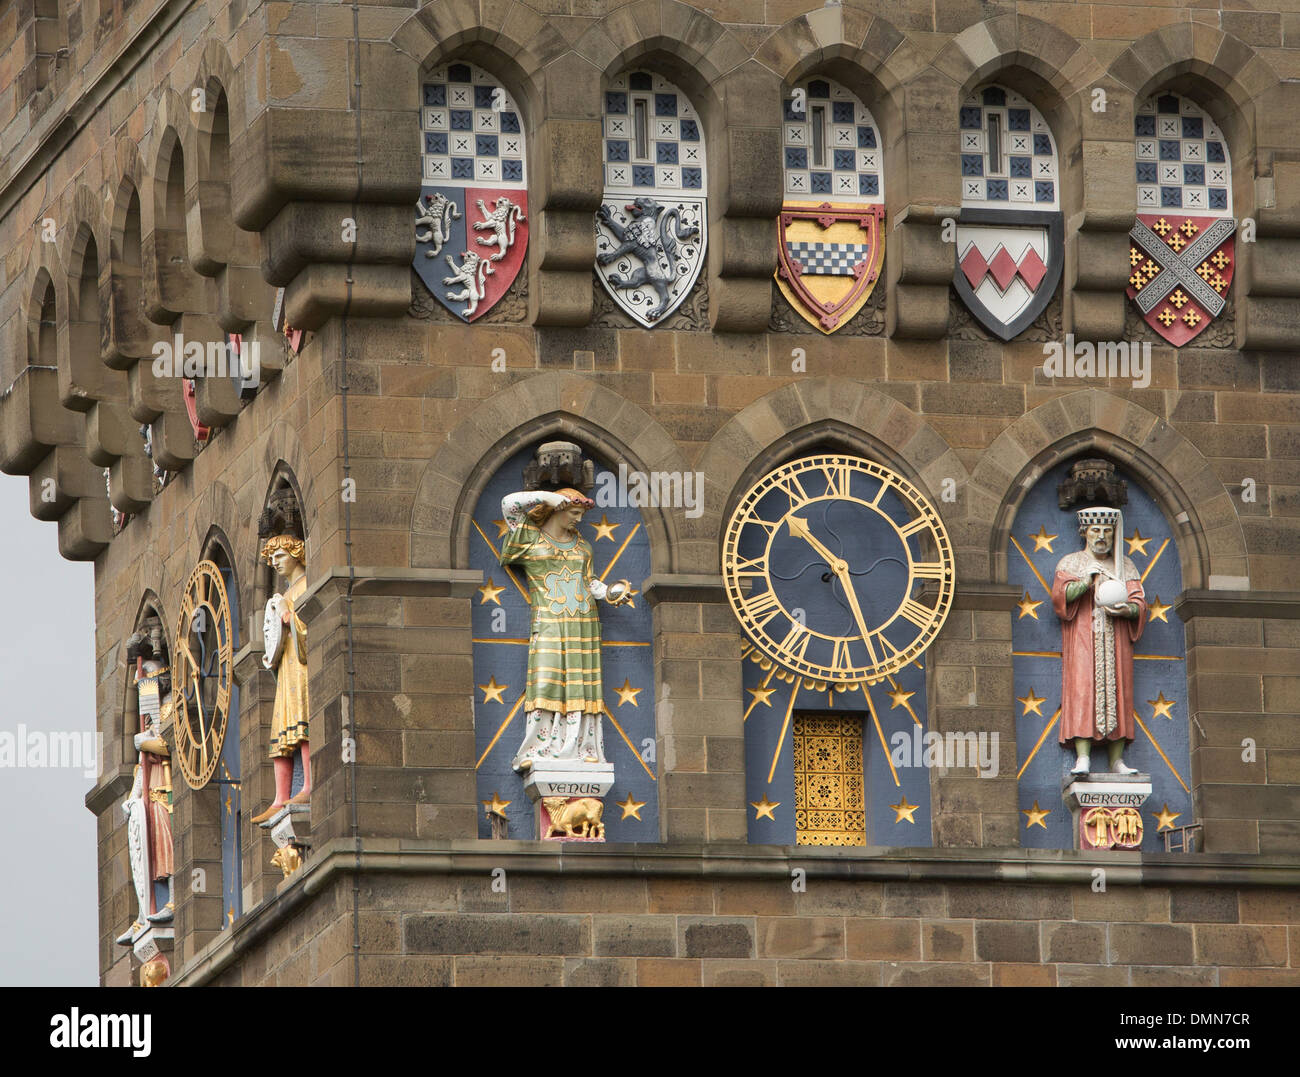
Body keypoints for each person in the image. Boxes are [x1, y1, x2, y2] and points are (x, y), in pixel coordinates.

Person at [498, 488, 629, 772]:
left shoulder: (583, 547)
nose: (578, 520)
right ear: (557, 509)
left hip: (583, 623)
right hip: (549, 621)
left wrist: (609, 593)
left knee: (582, 685)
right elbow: (509, 504)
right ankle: (538, 747)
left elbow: (589, 582)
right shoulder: (530, 539)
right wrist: (545, 495)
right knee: (545, 681)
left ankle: (585, 746)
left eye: (581, 514)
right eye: (574, 513)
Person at [1052, 506, 1148, 774]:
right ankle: (1083, 756)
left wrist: (1127, 609)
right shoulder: (1071, 563)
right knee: (1082, 690)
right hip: (1083, 637)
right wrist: (1085, 582)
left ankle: (1116, 759)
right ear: (1085, 532)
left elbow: (1138, 601)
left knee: (1118, 692)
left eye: (1107, 530)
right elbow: (1061, 597)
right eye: (1096, 530)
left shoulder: (1124, 564)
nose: (1102, 536)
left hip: (1115, 638)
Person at [117, 641, 175, 945]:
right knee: (147, 856)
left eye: (147, 683)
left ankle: (173, 900)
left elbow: (169, 745)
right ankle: (143, 915)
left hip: (166, 793)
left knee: (167, 849)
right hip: (149, 793)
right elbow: (140, 769)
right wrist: (133, 797)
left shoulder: (169, 709)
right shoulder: (151, 720)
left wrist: (145, 742)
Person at [251, 534, 310, 824]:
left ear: (296, 554)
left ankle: (308, 786)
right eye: (271, 560)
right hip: (286, 667)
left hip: (301, 667)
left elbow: (311, 627)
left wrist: (289, 617)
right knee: (281, 728)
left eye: (280, 557)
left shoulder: (307, 585)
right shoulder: (284, 595)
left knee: (302, 723)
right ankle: (280, 796)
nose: (275, 564)